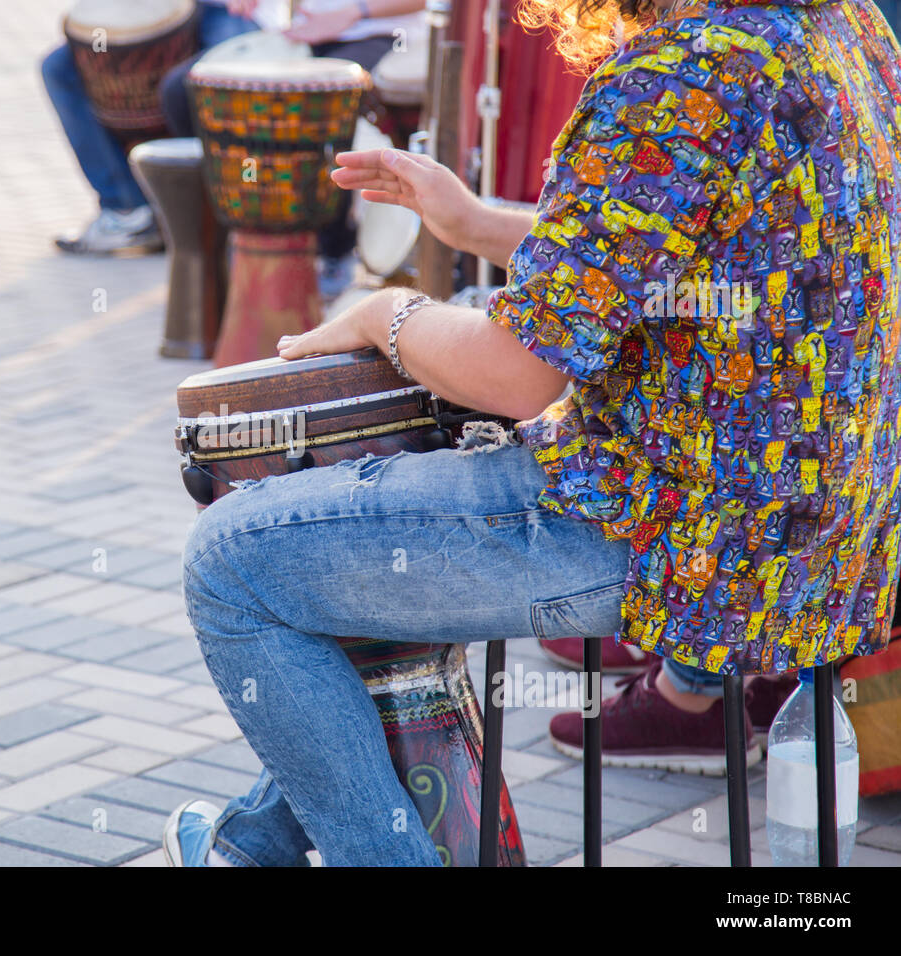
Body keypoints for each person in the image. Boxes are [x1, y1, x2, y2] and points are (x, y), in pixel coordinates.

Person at [164, 0, 901, 866]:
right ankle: (250, 848)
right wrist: (475, 223)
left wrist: (388, 314)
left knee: (234, 561)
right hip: (834, 540)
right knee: (352, 557)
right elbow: (673, 254)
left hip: (675, 541)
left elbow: (518, 377)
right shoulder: (845, 25)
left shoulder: (679, 74)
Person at [159, 0, 427, 296]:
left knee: (321, 112)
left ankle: (334, 249)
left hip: (382, 35)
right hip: (304, 33)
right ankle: (242, 229)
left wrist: (354, 12)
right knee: (181, 93)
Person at [41, 2, 257, 255]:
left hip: (222, 9)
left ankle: (225, 209)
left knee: (219, 74)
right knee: (58, 69)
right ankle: (128, 211)